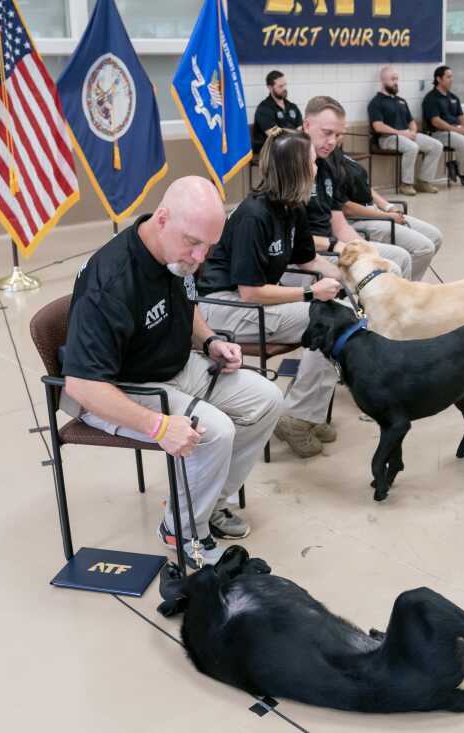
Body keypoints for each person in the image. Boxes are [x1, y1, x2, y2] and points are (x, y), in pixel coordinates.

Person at [62, 177, 283, 568]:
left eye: (209, 247)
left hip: (176, 366)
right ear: (162, 219)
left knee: (267, 398)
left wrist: (211, 340)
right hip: (117, 388)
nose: (200, 257)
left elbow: (188, 303)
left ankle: (207, 503)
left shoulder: (178, 253)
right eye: (193, 243)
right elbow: (82, 385)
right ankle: (181, 529)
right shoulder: (110, 280)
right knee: (214, 431)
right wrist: (158, 427)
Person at [195, 129, 342, 459]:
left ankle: (306, 413)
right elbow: (250, 292)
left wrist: (354, 277)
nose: (317, 167)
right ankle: (298, 416)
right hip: (222, 305)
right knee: (328, 320)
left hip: (253, 300)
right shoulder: (254, 215)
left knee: (342, 316)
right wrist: (309, 293)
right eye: (312, 162)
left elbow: (309, 259)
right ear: (295, 169)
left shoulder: (294, 207)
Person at [301, 95, 413, 280]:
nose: (332, 141)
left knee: (401, 258)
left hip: (333, 244)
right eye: (327, 132)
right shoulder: (289, 165)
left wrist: (365, 250)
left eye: (337, 135)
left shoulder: (328, 163)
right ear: (306, 126)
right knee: (388, 270)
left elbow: (339, 224)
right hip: (310, 254)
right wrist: (337, 246)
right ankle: (368, 309)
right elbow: (295, 241)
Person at [329, 145, 442, 281]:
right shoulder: (326, 164)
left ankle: (408, 285)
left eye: (339, 133)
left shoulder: (341, 154)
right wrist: (387, 216)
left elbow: (365, 187)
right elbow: (347, 208)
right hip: (358, 219)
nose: (336, 138)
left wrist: (388, 207)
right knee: (424, 248)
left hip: (374, 210)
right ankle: (406, 290)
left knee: (435, 236)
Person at [368, 66, 444, 196]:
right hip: (387, 138)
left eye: (397, 79)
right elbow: (378, 126)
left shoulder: (401, 101)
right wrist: (403, 134)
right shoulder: (376, 102)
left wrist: (413, 132)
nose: (396, 82)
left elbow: (411, 121)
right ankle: (406, 184)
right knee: (412, 147)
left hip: (406, 134)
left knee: (437, 145)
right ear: (383, 80)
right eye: (392, 79)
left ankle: (423, 181)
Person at [422, 65, 464, 187]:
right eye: (448, 77)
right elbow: (436, 121)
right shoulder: (431, 98)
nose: (451, 79)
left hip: (457, 131)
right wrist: (456, 130)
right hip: (438, 133)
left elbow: (461, 116)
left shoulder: (453, 97)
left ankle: (455, 164)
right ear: (439, 79)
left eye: (452, 76)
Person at [252, 70, 303, 155]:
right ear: (270, 87)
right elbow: (275, 135)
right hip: (270, 151)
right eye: (280, 86)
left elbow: (300, 129)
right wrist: (295, 137)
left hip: (292, 146)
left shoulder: (292, 106)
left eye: (285, 85)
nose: (284, 88)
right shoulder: (263, 109)